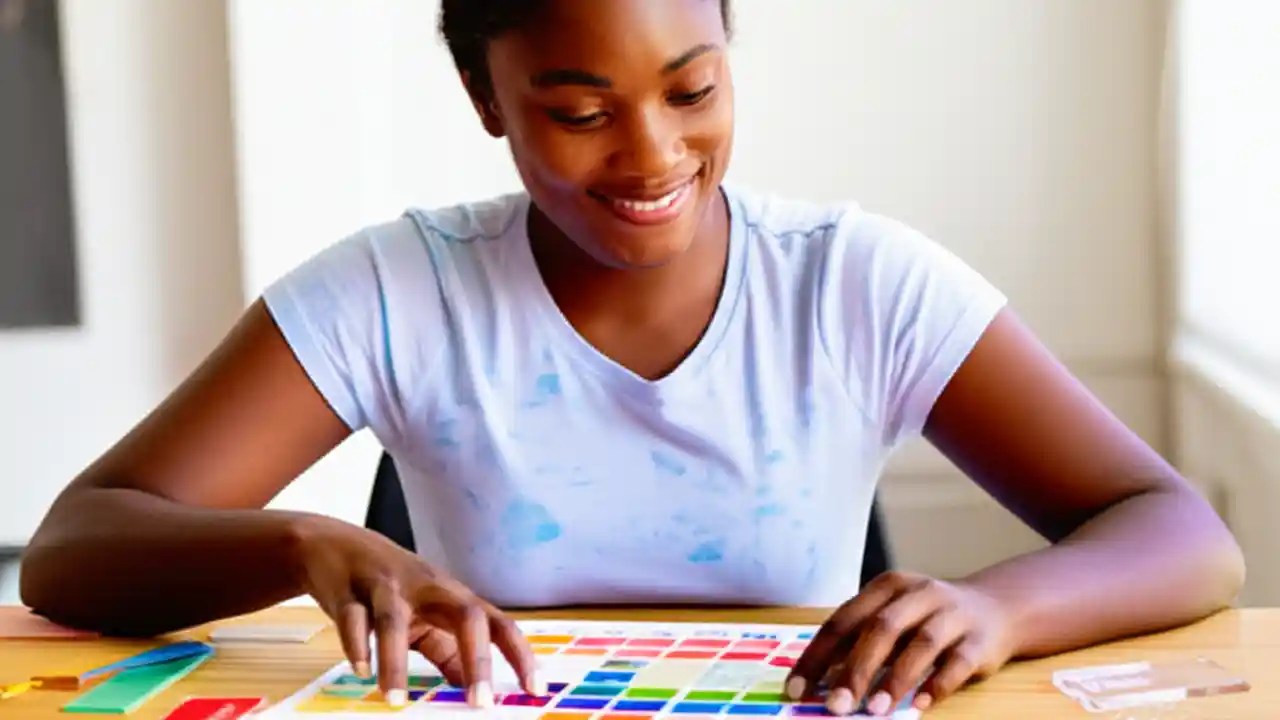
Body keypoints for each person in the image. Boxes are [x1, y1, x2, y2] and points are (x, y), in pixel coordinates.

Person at [21, 0, 1244, 715]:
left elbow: (1183, 537)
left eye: (692, 88)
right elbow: (74, 552)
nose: (652, 153)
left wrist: (995, 606)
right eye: (580, 111)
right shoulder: (398, 289)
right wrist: (299, 542)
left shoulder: (853, 280)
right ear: (484, 96)